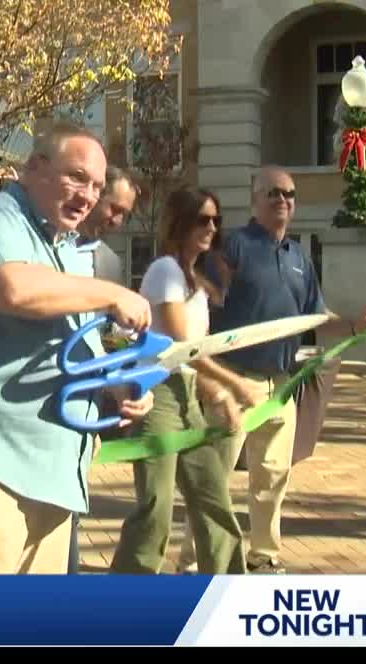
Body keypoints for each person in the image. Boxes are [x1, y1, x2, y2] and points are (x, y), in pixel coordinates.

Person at [0, 122, 153, 574]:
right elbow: (13, 290)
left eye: (96, 186)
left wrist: (119, 386)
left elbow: (81, 349)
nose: (88, 196)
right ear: (34, 168)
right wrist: (113, 294)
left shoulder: (69, 251)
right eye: (77, 177)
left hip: (53, 470)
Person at [202, 166, 366, 574]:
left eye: (290, 194)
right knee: (213, 477)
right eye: (273, 193)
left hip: (281, 385)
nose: (283, 200)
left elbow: (314, 317)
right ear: (254, 200)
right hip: (233, 381)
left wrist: (353, 323)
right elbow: (204, 309)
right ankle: (196, 560)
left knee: (273, 477)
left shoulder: (299, 256)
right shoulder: (233, 247)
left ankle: (263, 557)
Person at [109, 187, 252, 575]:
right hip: (157, 397)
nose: (211, 227)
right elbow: (181, 347)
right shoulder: (165, 270)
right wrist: (234, 386)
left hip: (186, 398)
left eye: (215, 220)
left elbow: (188, 365)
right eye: (202, 219)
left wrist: (216, 394)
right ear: (181, 223)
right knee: (155, 509)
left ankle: (227, 592)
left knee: (214, 503)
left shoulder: (192, 279)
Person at [64, 165, 139, 573]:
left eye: (125, 214)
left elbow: (107, 336)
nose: (117, 220)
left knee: (68, 519)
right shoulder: (40, 244)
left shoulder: (107, 262)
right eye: (115, 208)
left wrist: (123, 386)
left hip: (79, 413)